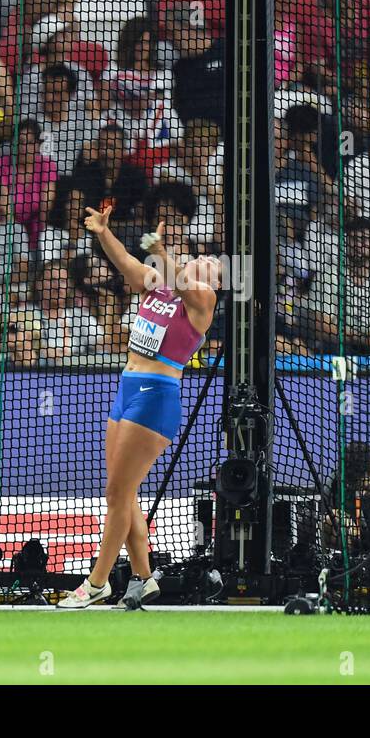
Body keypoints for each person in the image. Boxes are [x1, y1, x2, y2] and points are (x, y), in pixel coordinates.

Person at [58, 203, 221, 608]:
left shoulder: (202, 300)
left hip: (155, 397)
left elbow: (181, 282)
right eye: (201, 256)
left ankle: (96, 584)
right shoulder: (157, 284)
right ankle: (144, 578)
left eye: (211, 263)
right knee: (123, 494)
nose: (205, 260)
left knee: (117, 494)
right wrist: (102, 232)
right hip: (126, 388)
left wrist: (164, 253)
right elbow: (127, 263)